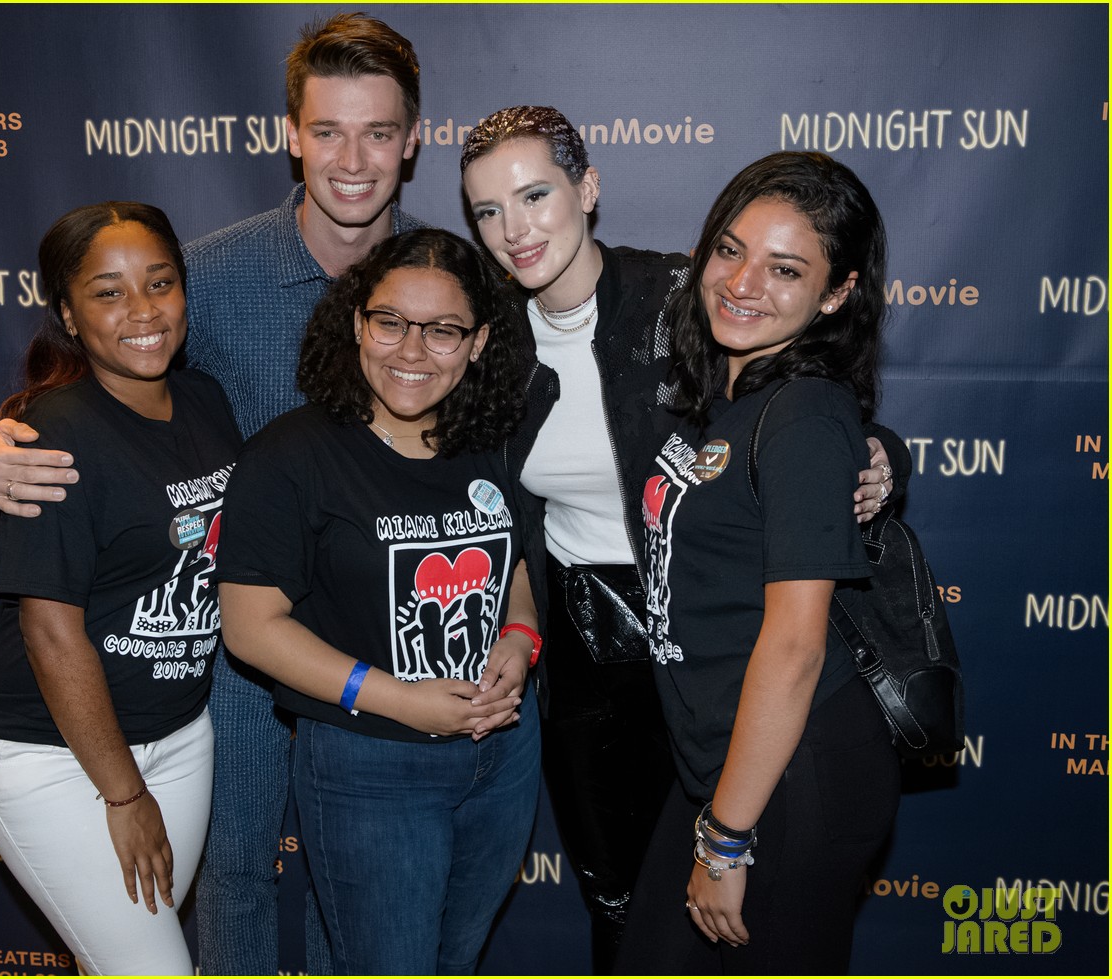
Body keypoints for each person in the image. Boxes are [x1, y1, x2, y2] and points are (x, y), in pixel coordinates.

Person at [0, 14, 423, 974]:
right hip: (237, 652)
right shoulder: (204, 276)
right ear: (289, 133)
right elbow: (103, 381)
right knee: (234, 881)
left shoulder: (447, 279)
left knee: (373, 892)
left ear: (414, 139)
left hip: (393, 641)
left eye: (378, 132)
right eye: (328, 130)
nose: (352, 159)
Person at [460, 106, 907, 972]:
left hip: (738, 664)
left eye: (536, 194)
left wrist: (884, 456)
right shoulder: (484, 337)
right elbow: (478, 500)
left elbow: (814, 427)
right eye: (487, 209)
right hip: (602, 651)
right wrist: (519, 625)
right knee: (630, 907)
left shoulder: (686, 301)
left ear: (587, 189)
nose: (515, 229)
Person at [215, 228, 540, 975]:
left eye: (444, 330)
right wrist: (398, 699)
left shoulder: (491, 439)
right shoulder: (291, 455)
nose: (412, 350)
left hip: (504, 756)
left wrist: (520, 640)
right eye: (390, 321)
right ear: (358, 322)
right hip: (369, 765)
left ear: (480, 340)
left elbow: (514, 560)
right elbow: (251, 626)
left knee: (454, 962)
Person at [616, 151, 902, 974]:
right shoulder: (735, 399)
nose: (743, 283)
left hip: (793, 773)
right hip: (729, 761)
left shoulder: (805, 412)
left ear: (837, 292)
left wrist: (728, 836)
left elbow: (795, 644)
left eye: (786, 269)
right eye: (731, 250)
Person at [0, 202, 241, 975]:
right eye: (109, 292)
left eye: (160, 283)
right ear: (67, 312)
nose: (143, 311)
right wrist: (123, 795)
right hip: (56, 756)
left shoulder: (207, 401)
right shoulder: (51, 435)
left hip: (182, 737)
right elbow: (51, 633)